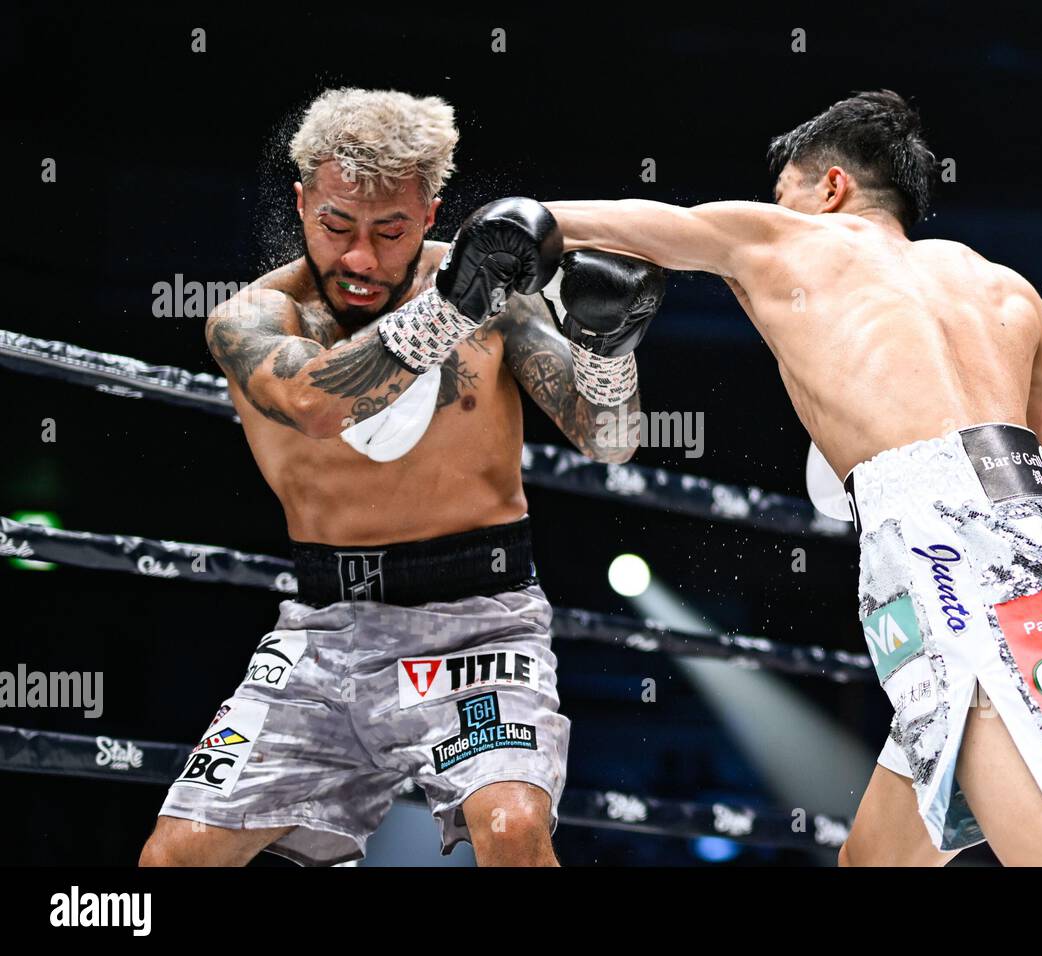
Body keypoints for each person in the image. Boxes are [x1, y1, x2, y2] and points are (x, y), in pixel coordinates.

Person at [543, 90, 1042, 866]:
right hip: (1041, 562)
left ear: (830, 187)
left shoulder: (786, 239)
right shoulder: (1003, 287)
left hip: (948, 571)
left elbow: (575, 224)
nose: (775, 209)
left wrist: (442, 240)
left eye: (784, 192)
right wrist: (942, 467)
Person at [138, 88, 663, 867]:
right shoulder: (250, 319)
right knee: (171, 859)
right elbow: (318, 403)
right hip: (321, 632)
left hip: (480, 624)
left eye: (390, 232)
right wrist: (453, 306)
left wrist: (608, 349)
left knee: (515, 827)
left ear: (429, 212)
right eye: (336, 226)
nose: (361, 258)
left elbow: (609, 440)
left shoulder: (502, 302)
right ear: (302, 202)